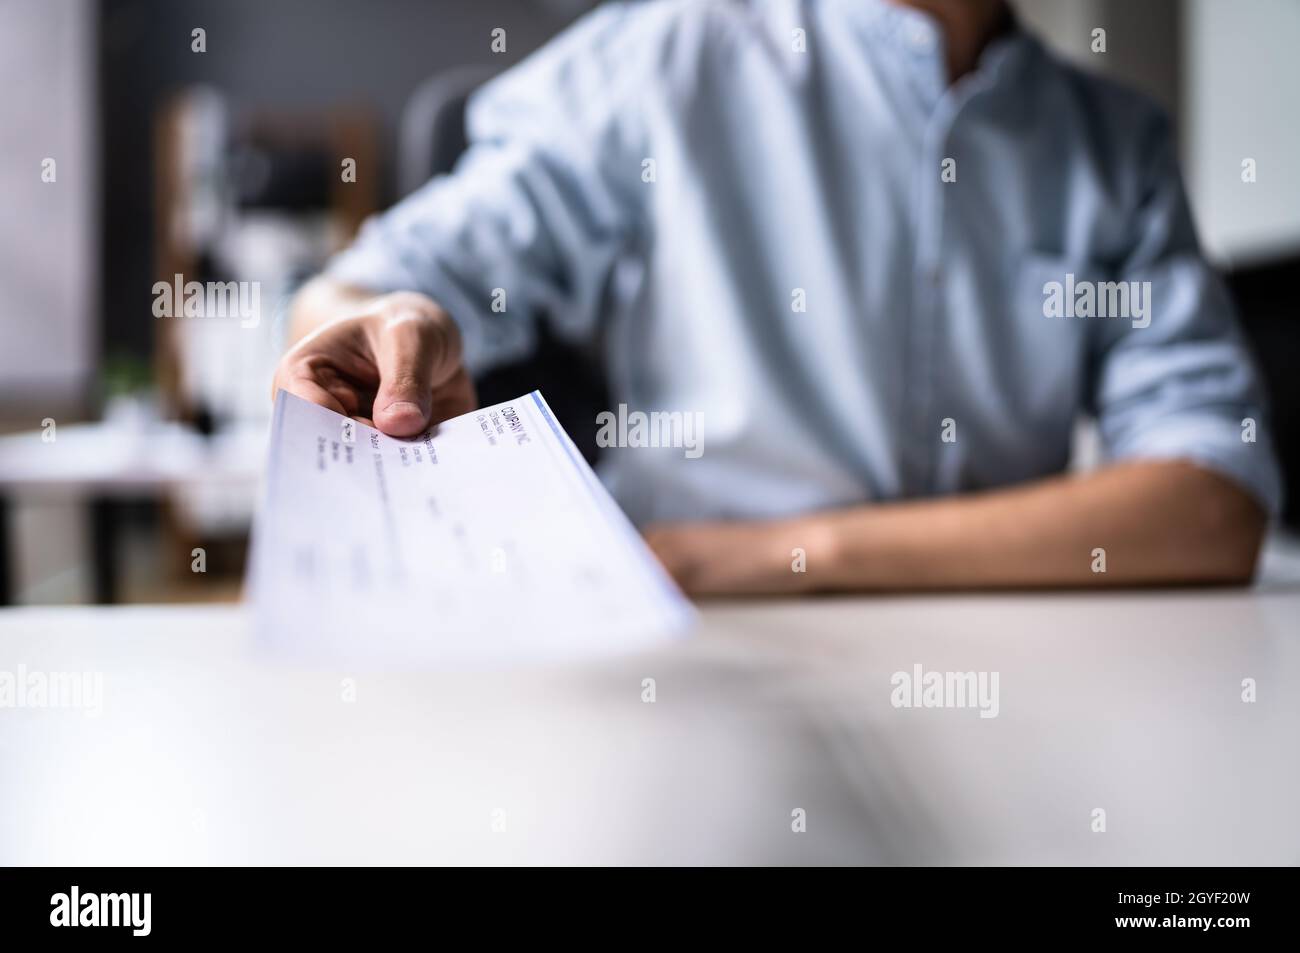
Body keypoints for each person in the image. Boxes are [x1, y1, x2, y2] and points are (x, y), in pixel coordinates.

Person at [273, 0, 1279, 595]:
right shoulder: (668, 58)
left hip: (1002, 651)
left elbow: (1209, 500)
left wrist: (785, 552)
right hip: (690, 652)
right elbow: (360, 293)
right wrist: (362, 330)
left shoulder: (1117, 141)